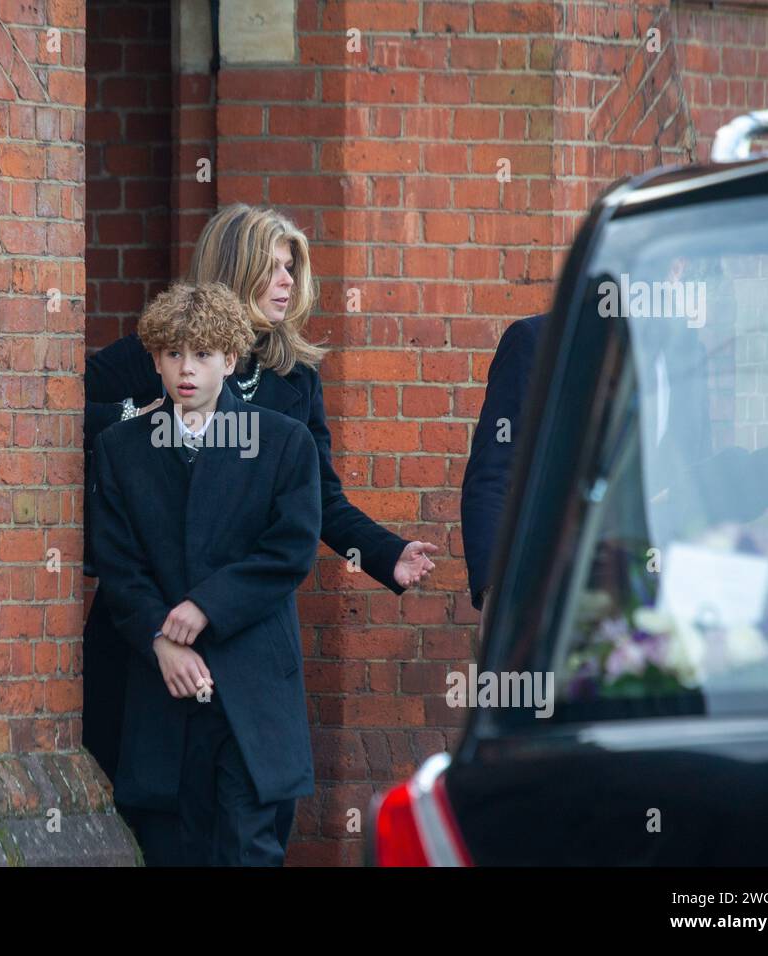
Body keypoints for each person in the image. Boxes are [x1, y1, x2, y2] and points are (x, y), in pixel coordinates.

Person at [83, 203, 438, 860]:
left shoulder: (292, 379)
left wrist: (384, 554)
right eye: (271, 267)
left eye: (290, 268)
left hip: (239, 635)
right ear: (234, 268)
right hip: (146, 635)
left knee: (248, 828)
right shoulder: (160, 350)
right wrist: (143, 412)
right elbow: (54, 396)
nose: (285, 282)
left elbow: (315, 505)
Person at [90, 282, 322, 866]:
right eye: (172, 354)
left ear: (230, 359)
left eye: (201, 354)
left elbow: (290, 549)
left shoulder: (281, 441)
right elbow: (119, 565)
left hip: (252, 684)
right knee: (169, 848)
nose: (185, 369)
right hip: (161, 690)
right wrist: (160, 640)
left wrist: (205, 607)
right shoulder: (122, 447)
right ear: (155, 360)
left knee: (247, 849)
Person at [460, 313, 547, 634]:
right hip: (560, 590)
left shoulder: (683, 350)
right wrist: (494, 590)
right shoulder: (535, 340)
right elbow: (493, 474)